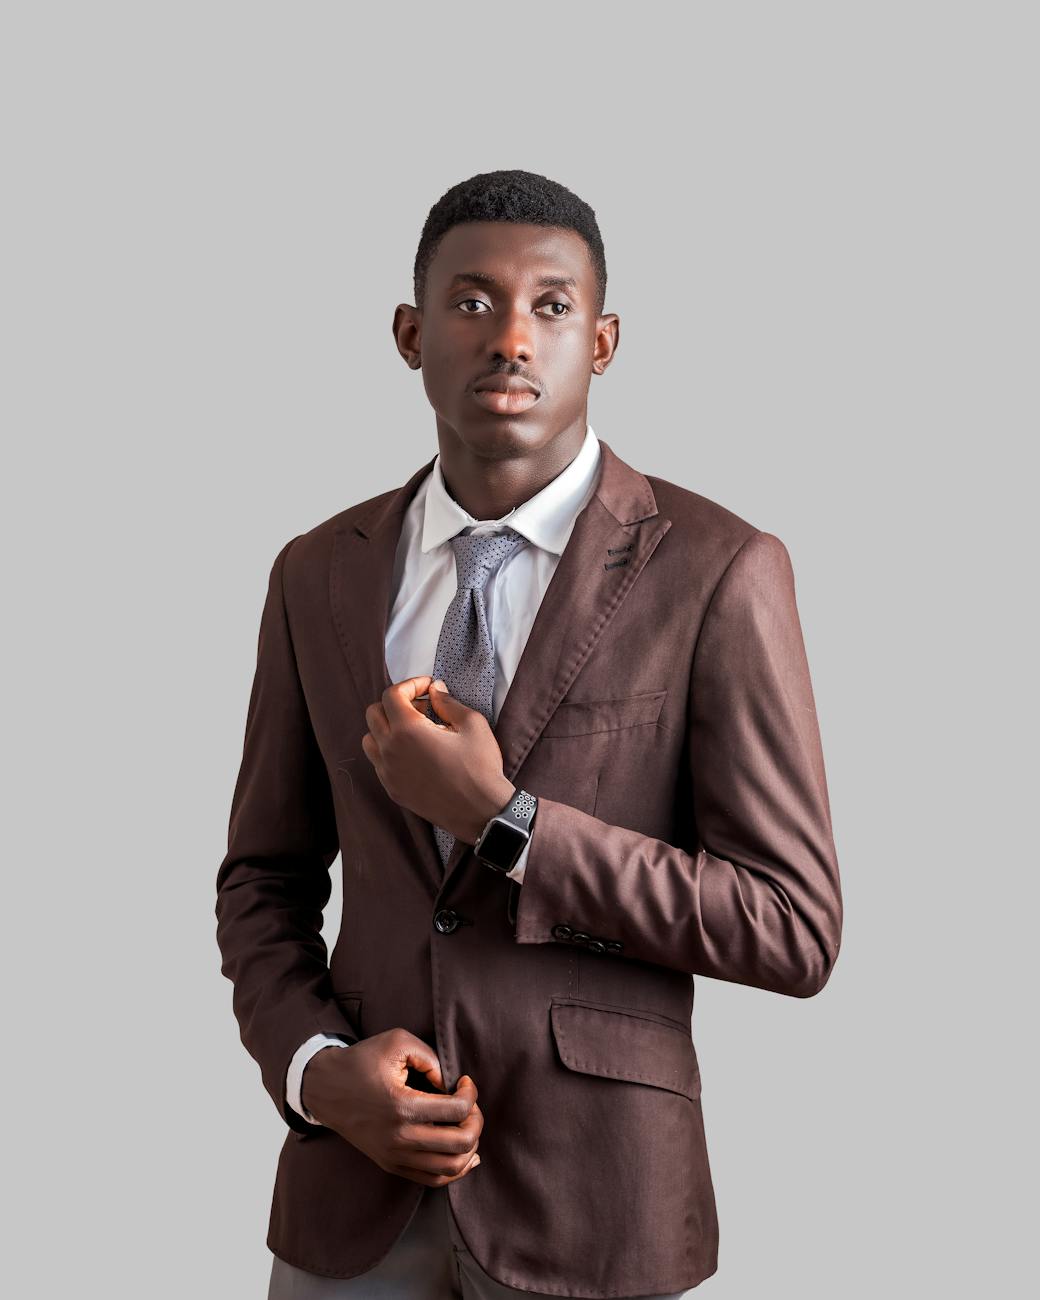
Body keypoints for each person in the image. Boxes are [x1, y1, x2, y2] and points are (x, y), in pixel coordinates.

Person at [215, 169, 844, 1299]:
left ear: (601, 343)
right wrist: (317, 1071)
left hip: (597, 1206)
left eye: (550, 307)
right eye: (470, 302)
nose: (511, 335)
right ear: (409, 334)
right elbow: (262, 877)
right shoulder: (316, 572)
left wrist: (505, 823)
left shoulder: (719, 571)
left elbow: (790, 926)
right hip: (351, 1198)